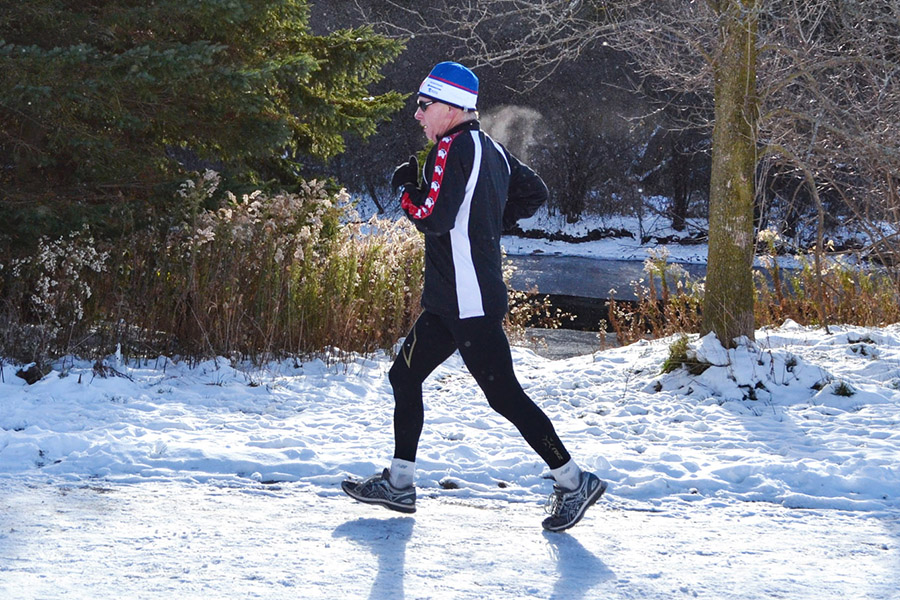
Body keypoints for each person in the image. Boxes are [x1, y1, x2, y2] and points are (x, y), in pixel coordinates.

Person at [341, 62, 607, 532]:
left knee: (504, 396)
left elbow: (428, 216)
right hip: (452, 302)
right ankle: (399, 484)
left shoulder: (451, 147)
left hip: (469, 304)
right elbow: (533, 194)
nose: (418, 116)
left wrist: (406, 186)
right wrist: (485, 224)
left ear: (449, 107)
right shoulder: (491, 149)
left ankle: (573, 481)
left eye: (424, 106)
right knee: (403, 377)